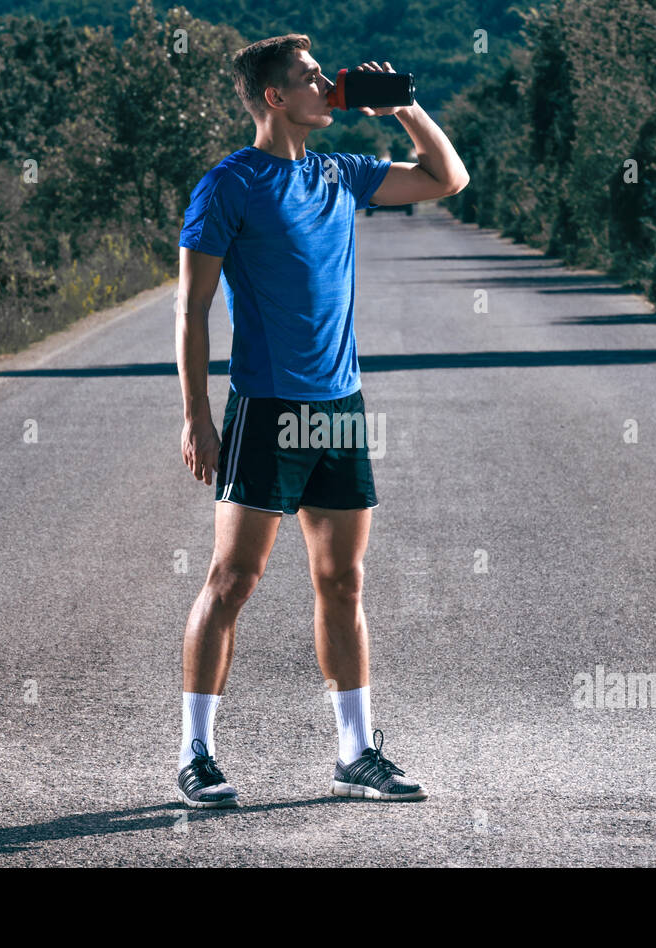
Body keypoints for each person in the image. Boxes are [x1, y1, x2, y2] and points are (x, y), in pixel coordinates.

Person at [174, 33, 468, 808]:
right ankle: (196, 751)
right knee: (233, 579)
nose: (329, 85)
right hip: (265, 407)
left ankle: (355, 750)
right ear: (275, 97)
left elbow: (448, 177)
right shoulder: (228, 185)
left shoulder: (342, 172)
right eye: (311, 78)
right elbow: (193, 308)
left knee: (343, 579)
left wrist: (401, 104)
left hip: (339, 405)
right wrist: (198, 416)